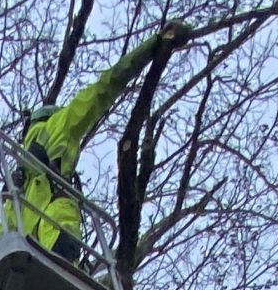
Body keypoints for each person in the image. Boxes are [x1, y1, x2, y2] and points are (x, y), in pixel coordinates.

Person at [11, 21, 191, 259]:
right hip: (57, 233)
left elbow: (5, 238)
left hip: (21, 259)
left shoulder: (14, 183)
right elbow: (105, 87)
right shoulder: (59, 125)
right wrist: (154, 45)